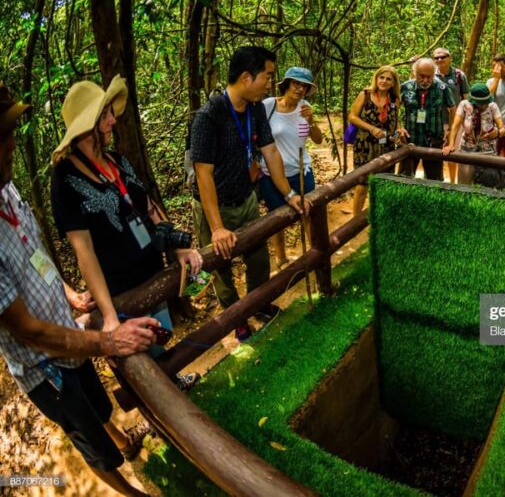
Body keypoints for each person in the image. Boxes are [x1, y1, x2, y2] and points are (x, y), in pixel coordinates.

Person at [0, 83, 158, 496]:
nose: (13, 144)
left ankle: (126, 440)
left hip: (69, 334)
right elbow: (27, 331)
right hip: (44, 366)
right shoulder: (62, 179)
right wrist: (108, 339)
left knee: (99, 404)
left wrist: (68, 292)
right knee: (88, 437)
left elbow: (34, 251)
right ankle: (129, 490)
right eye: (2, 137)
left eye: (11, 132)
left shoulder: (8, 191)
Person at [51, 75, 203, 390]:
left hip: (152, 275)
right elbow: (85, 252)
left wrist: (178, 246)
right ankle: (158, 411)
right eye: (104, 114)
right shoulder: (65, 180)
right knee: (137, 357)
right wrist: (108, 318)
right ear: (86, 123)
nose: (112, 119)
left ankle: (173, 385)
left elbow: (147, 206)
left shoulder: (118, 161)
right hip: (120, 293)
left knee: (158, 340)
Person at [190, 46, 292, 341]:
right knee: (220, 267)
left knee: (258, 257)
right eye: (268, 76)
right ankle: (235, 317)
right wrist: (217, 227)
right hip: (214, 207)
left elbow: (270, 151)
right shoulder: (209, 116)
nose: (271, 84)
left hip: (246, 199)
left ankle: (258, 304)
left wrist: (289, 194)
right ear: (247, 77)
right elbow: (203, 174)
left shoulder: (256, 108)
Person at [260, 67, 323, 268]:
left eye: (304, 85)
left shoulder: (305, 108)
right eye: (296, 83)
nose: (300, 88)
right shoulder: (268, 106)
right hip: (270, 174)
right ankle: (281, 259)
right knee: (276, 218)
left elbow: (318, 140)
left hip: (300, 170)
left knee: (307, 214)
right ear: (286, 84)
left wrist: (311, 122)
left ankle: (315, 255)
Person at [347, 65, 401, 214]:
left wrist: (396, 137)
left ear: (393, 83)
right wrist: (371, 128)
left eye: (388, 79)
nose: (384, 81)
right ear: (376, 78)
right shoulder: (365, 94)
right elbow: (352, 117)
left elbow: (396, 124)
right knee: (362, 184)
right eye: (381, 77)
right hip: (365, 145)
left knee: (383, 182)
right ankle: (355, 220)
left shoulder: (395, 99)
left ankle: (378, 216)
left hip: (386, 147)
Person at [398, 57, 456, 181]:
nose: (425, 80)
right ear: (415, 73)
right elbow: (393, 108)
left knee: (434, 180)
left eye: (429, 77)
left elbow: (452, 109)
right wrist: (399, 127)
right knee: (404, 178)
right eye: (421, 76)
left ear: (434, 73)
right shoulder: (405, 87)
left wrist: (450, 130)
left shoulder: (442, 88)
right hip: (410, 139)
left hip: (434, 140)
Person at [442, 83, 505, 185]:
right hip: (467, 149)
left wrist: (497, 133)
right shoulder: (464, 104)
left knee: (485, 183)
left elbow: (503, 130)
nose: (481, 105)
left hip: (487, 152)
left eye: (483, 103)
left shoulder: (493, 106)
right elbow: (455, 126)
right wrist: (451, 144)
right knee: (464, 183)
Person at [433, 48, 469, 183]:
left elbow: (466, 99)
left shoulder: (459, 75)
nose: (439, 60)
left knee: (453, 151)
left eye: (443, 57)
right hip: (436, 121)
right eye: (436, 58)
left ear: (450, 58)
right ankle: (436, 180)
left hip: (456, 122)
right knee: (436, 152)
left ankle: (453, 183)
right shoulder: (431, 74)